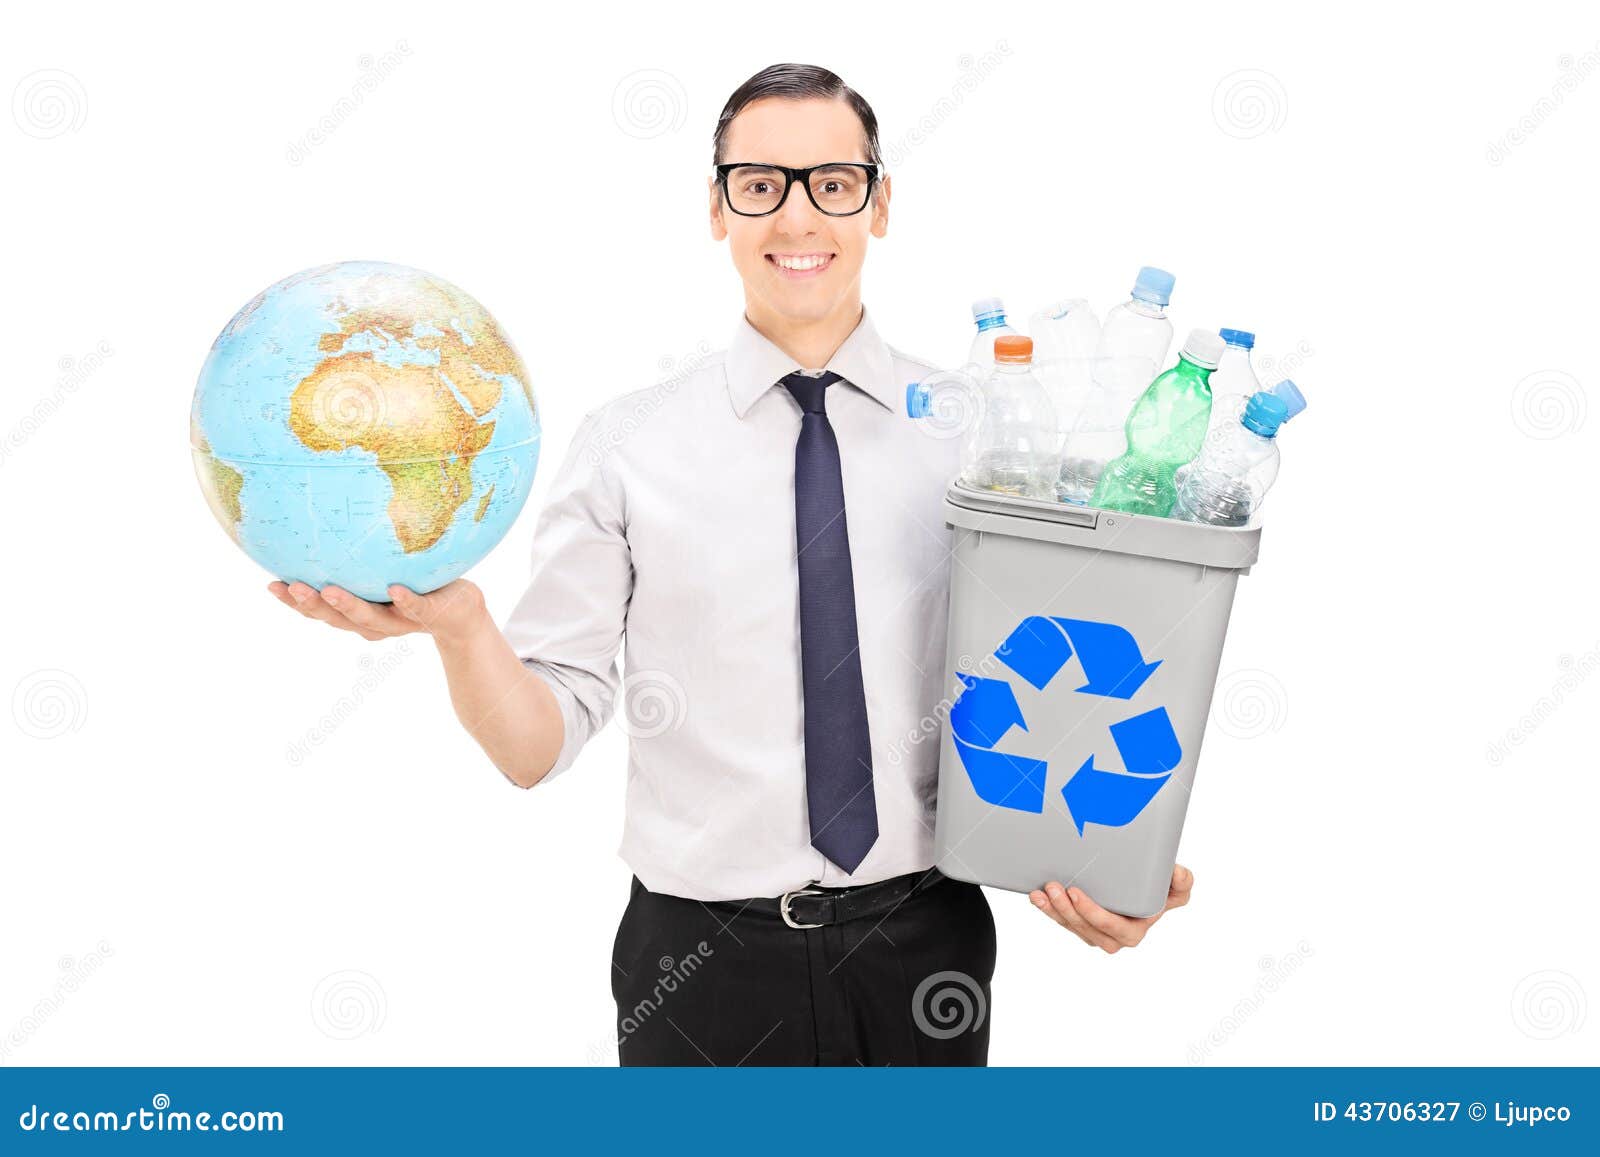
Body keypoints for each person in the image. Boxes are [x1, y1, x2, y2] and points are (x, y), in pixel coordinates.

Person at [268, 62, 1193, 1066]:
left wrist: (1113, 858)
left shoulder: (980, 438)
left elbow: (1058, 659)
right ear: (718, 208)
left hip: (924, 944)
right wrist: (462, 629)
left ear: (879, 203)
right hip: (698, 962)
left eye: (832, 182)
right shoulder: (627, 446)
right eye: (760, 183)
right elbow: (534, 746)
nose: (797, 216)